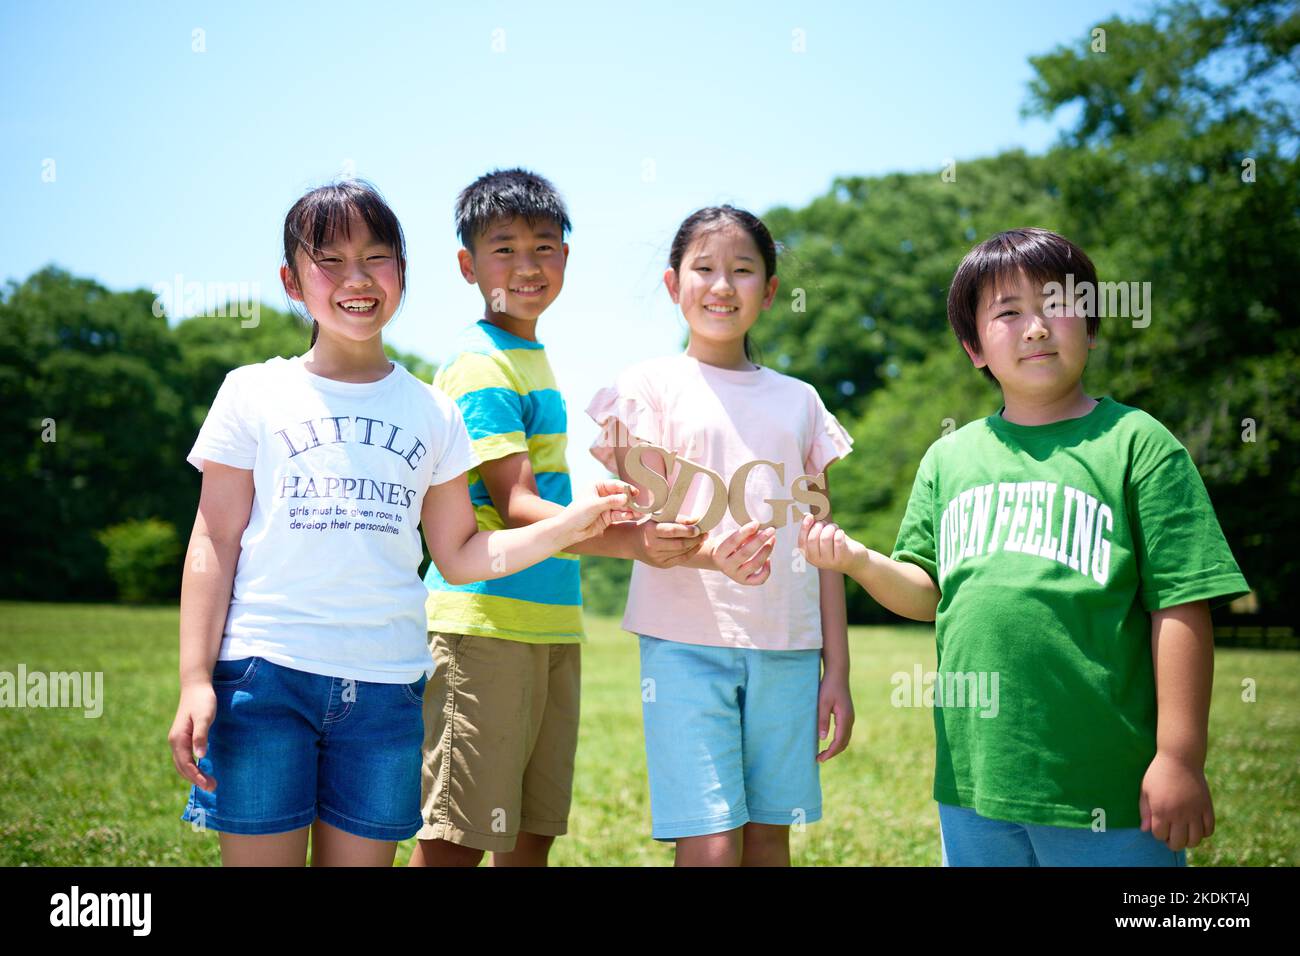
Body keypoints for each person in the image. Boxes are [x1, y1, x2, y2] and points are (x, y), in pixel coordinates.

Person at [166, 179, 632, 867]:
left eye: (376, 258)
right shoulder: (253, 392)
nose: (356, 279)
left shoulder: (432, 413)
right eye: (329, 261)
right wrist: (196, 678)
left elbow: (463, 553)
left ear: (404, 274)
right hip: (265, 678)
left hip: (386, 693)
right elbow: (213, 539)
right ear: (292, 282)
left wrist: (575, 526)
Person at [799, 227, 1249, 866]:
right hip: (975, 783)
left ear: (1091, 327)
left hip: (1109, 788)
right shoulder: (949, 458)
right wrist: (857, 561)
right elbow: (929, 594)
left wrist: (1179, 758)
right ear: (974, 347)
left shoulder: (1137, 444)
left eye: (1057, 304)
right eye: (1007, 313)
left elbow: (1181, 605)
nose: (1035, 327)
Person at [409, 172, 771, 868]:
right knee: (458, 839)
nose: (526, 266)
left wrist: (620, 524)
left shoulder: (530, 357)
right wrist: (631, 538)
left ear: (566, 260)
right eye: (503, 249)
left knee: (531, 831)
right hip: (484, 626)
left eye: (544, 248)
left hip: (548, 622)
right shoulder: (480, 364)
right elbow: (515, 502)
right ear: (466, 266)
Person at [586, 205, 856, 866]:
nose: (721, 286)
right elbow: (640, 513)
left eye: (742, 271)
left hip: (789, 649)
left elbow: (822, 545)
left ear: (768, 291)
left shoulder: (800, 401)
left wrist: (838, 670)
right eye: (703, 269)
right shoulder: (646, 386)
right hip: (685, 646)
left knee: (769, 836)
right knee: (708, 841)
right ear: (673, 285)